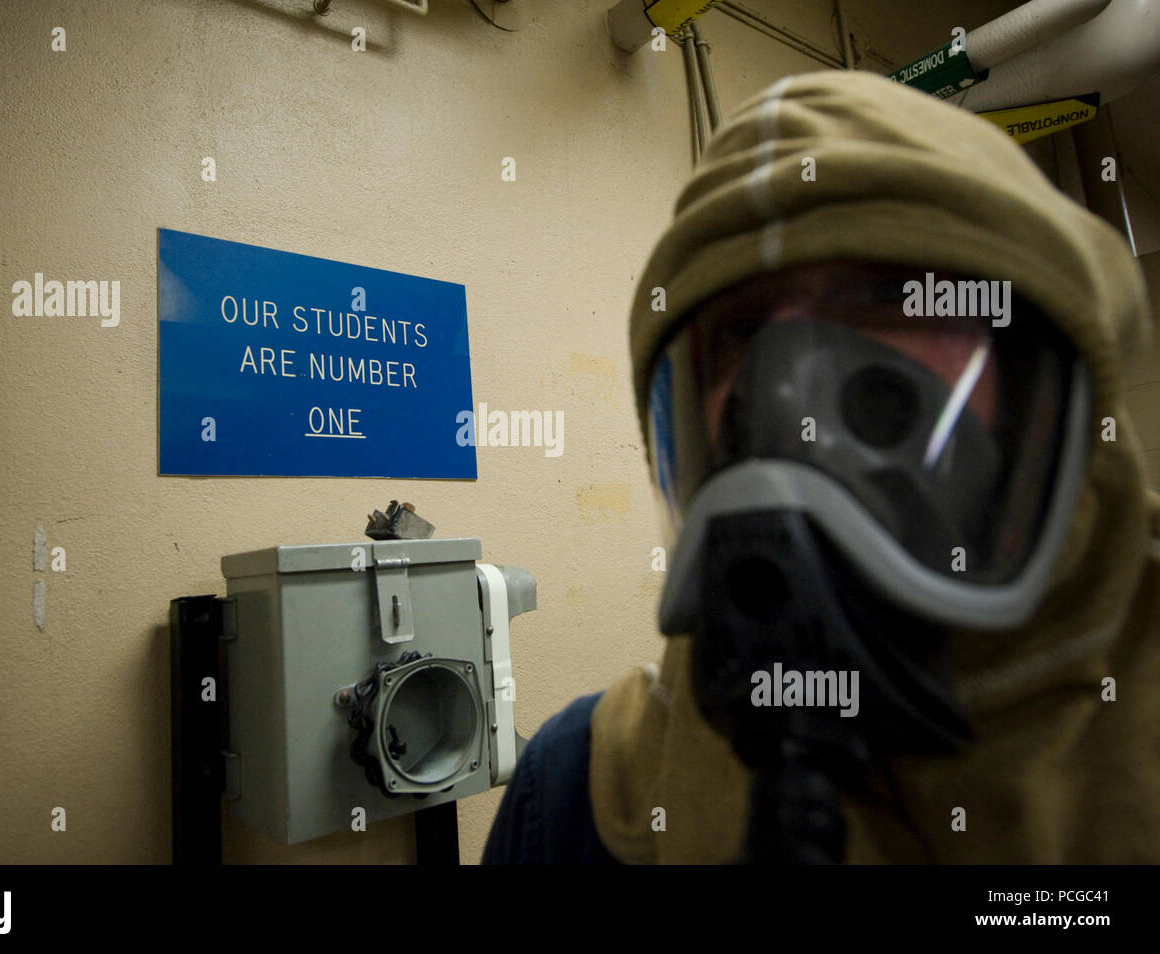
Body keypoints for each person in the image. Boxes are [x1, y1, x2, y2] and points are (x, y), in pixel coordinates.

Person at [482, 69, 1159, 864]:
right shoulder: (587, 789)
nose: (785, 380)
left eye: (890, 291)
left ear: (1036, 386)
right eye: (739, 330)